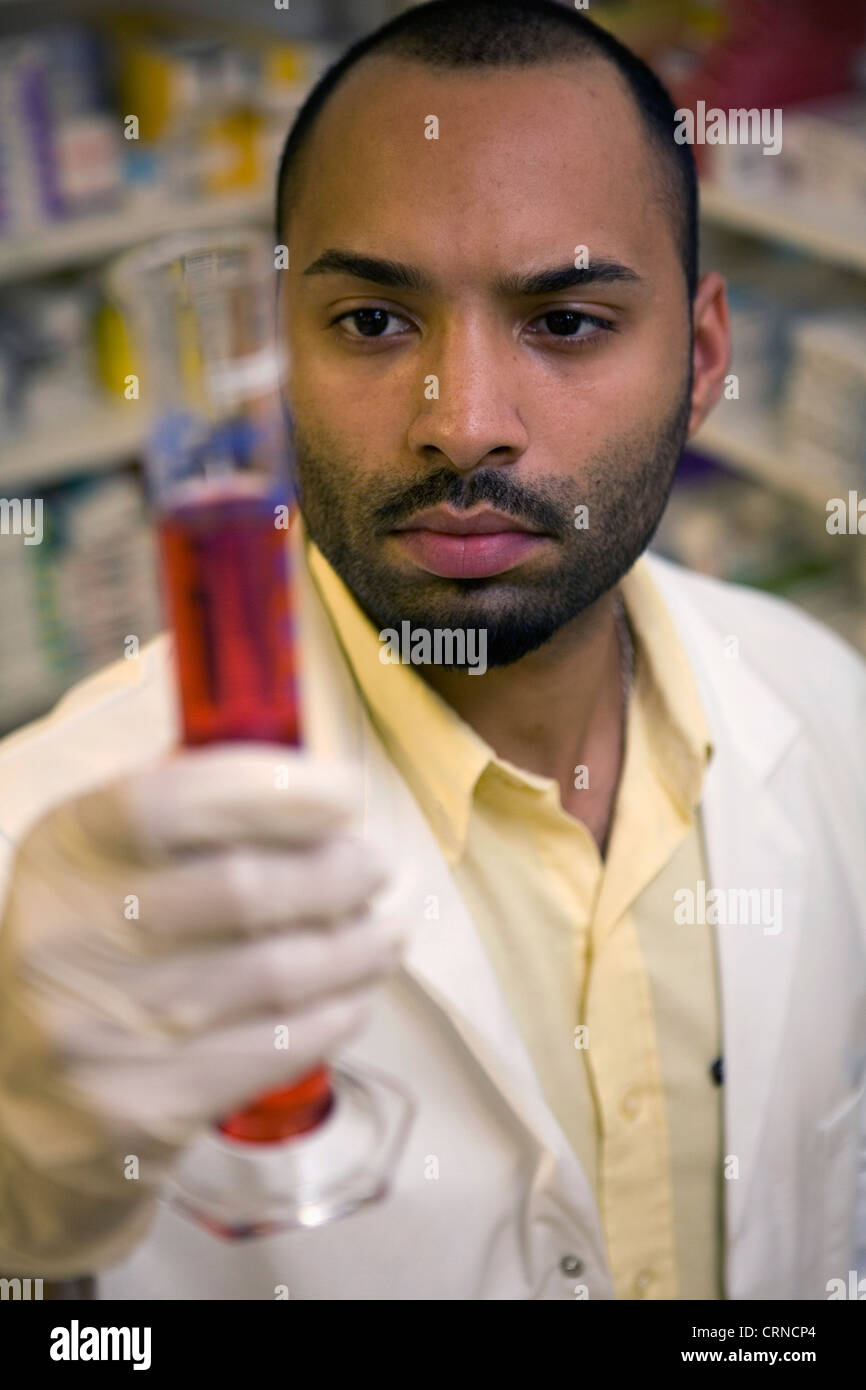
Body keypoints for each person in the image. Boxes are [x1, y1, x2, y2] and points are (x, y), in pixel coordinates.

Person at [1, 0, 864, 1301]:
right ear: (270, 354)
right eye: (369, 324)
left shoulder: (827, 707)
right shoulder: (44, 863)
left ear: (698, 362)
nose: (461, 425)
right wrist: (27, 1200)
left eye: (565, 321)